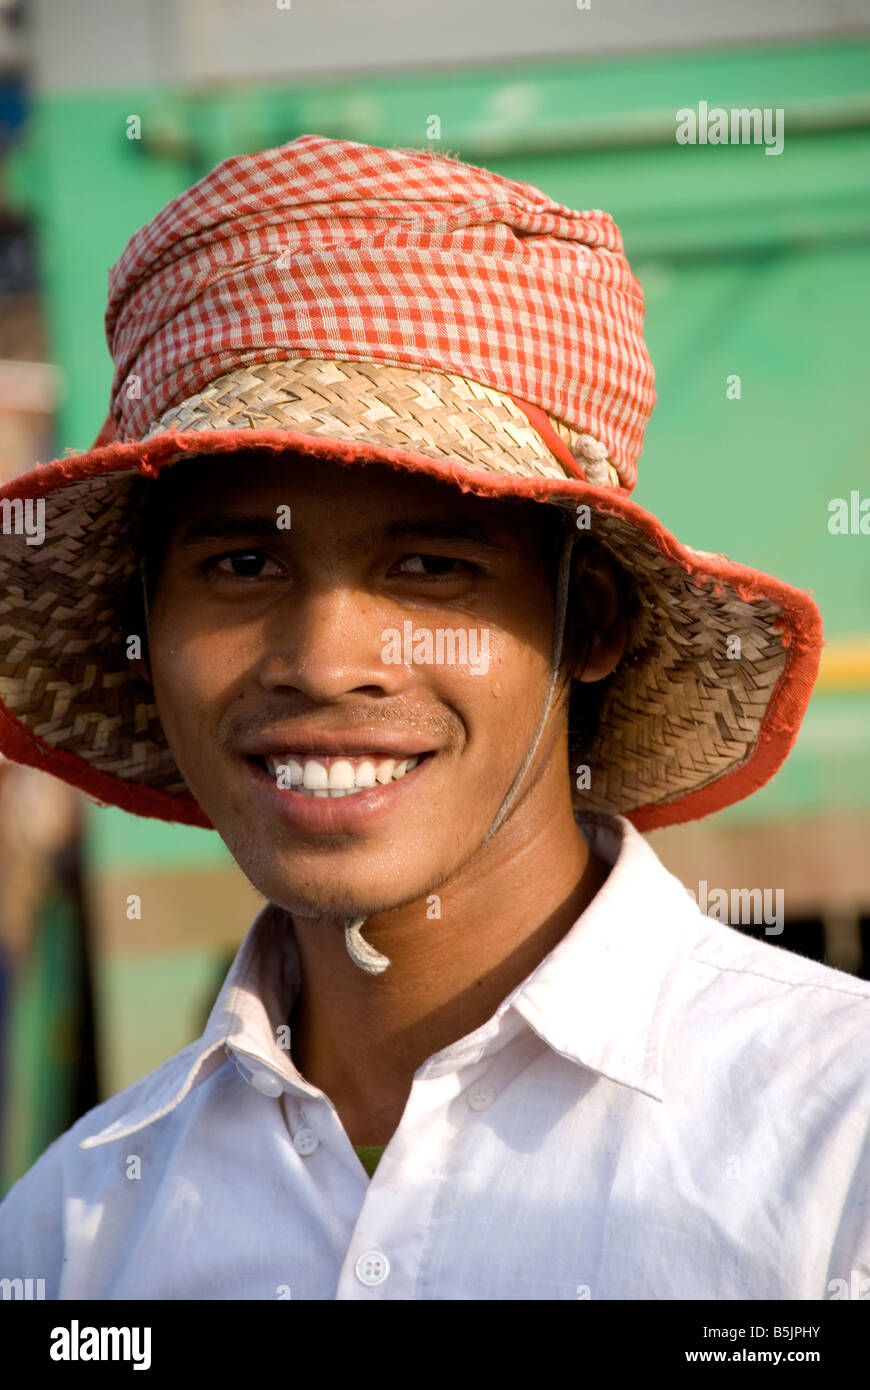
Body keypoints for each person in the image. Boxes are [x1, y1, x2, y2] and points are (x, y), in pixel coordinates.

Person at [0, 134, 867, 1301]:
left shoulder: (834, 1145)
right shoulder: (75, 1231)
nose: (323, 662)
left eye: (431, 566)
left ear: (588, 621)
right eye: (245, 561)